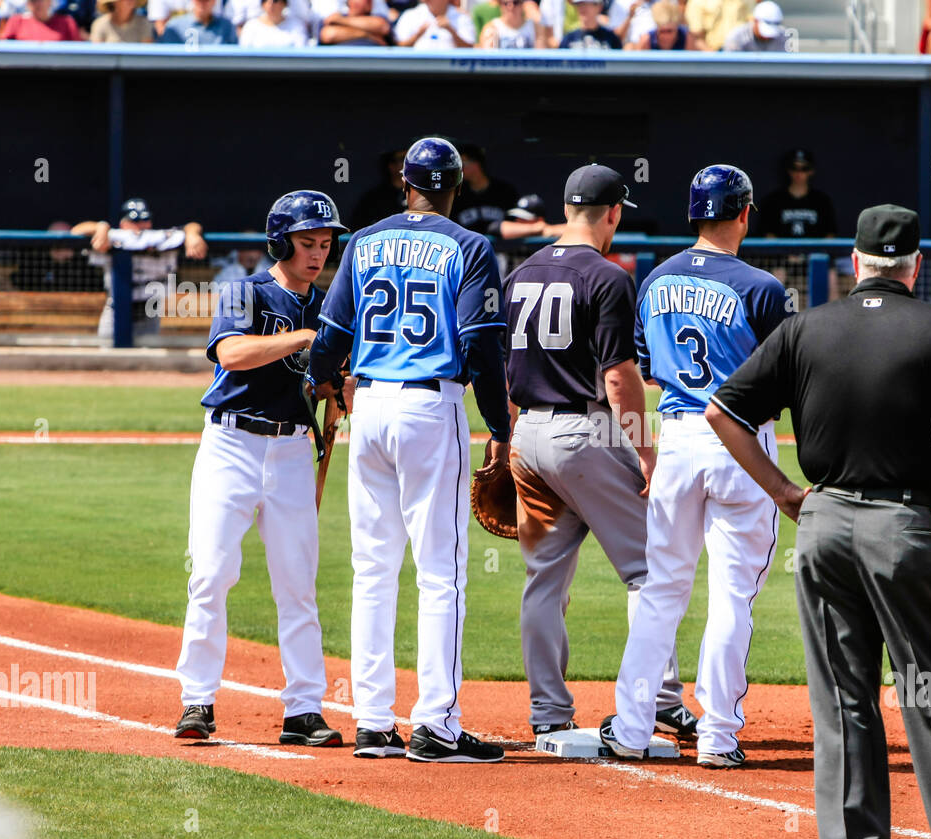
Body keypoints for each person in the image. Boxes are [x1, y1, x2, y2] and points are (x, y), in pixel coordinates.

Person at [705, 203, 931, 839]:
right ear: (917, 265)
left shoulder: (806, 328)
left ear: (854, 264)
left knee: (844, 705)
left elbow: (723, 410)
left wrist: (785, 491)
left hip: (823, 529)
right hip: (912, 529)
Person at [306, 137, 511, 763]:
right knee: (440, 571)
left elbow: (332, 334)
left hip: (368, 404)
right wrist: (500, 427)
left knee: (372, 568)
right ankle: (434, 725)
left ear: (405, 185)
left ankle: (371, 721)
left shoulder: (364, 241)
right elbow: (480, 345)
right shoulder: (469, 245)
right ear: (454, 188)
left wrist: (323, 388)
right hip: (430, 407)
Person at [598, 165, 786, 768]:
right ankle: (718, 737)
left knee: (661, 592)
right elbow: (782, 379)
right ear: (744, 214)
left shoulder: (655, 280)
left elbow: (648, 367)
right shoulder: (761, 286)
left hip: (675, 436)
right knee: (732, 595)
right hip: (740, 442)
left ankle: (630, 730)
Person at [503, 164, 699, 739]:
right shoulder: (607, 277)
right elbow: (618, 377)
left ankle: (548, 714)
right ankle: (659, 698)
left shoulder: (519, 275)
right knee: (649, 572)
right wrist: (644, 449)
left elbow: (505, 371)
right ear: (613, 213)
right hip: (585, 435)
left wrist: (509, 438)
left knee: (544, 579)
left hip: (530, 436)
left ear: (566, 209)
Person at [173, 190, 348, 748]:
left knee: (297, 584)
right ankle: (196, 700)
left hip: (294, 448)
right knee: (211, 573)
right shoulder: (246, 290)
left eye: (324, 244)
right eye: (306, 243)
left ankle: (303, 709)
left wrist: (336, 388)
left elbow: (317, 380)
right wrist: (308, 338)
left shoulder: (328, 305)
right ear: (280, 241)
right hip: (231, 443)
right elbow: (232, 354)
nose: (317, 254)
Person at [70, 198, 207, 341]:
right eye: (135, 221)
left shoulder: (158, 239)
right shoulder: (113, 237)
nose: (141, 225)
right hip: (116, 311)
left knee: (146, 358)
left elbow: (191, 226)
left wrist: (192, 234)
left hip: (148, 312)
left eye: (145, 219)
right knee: (107, 356)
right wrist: (101, 227)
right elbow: (75, 231)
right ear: (123, 223)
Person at [452, 143, 520, 236]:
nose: (460, 169)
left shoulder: (504, 191)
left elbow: (516, 223)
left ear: (476, 164)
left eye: (463, 164)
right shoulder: (457, 194)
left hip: (502, 248)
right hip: (468, 248)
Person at [352, 147, 408, 228]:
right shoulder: (374, 199)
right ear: (391, 166)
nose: (409, 163)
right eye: (403, 159)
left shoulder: (422, 194)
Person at [315, 0, 391, 44]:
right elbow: (329, 35)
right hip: (340, 66)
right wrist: (367, 35)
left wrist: (340, 21)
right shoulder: (339, 17)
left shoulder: (377, 16)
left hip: (374, 66)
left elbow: (383, 27)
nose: (369, 2)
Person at [158, 0, 237, 43]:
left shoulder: (227, 26)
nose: (202, 4)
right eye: (199, 0)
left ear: (214, 1)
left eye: (206, 0)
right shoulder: (174, 26)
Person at [239, 0, 311, 46]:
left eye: (275, 1)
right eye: (266, 1)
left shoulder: (296, 26)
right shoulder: (251, 26)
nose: (270, 5)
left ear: (284, 4)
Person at [0, 0, 84, 39]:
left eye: (40, 0)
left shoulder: (67, 22)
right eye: (32, 1)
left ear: (50, 1)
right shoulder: (16, 21)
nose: (36, 4)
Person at [626, 0, 692, 47]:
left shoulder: (687, 39)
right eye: (662, 31)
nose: (666, 36)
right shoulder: (646, 41)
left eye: (669, 31)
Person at [89, 0, 155, 40]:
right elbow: (98, 57)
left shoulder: (144, 24)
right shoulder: (100, 24)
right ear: (114, 2)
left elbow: (145, 58)